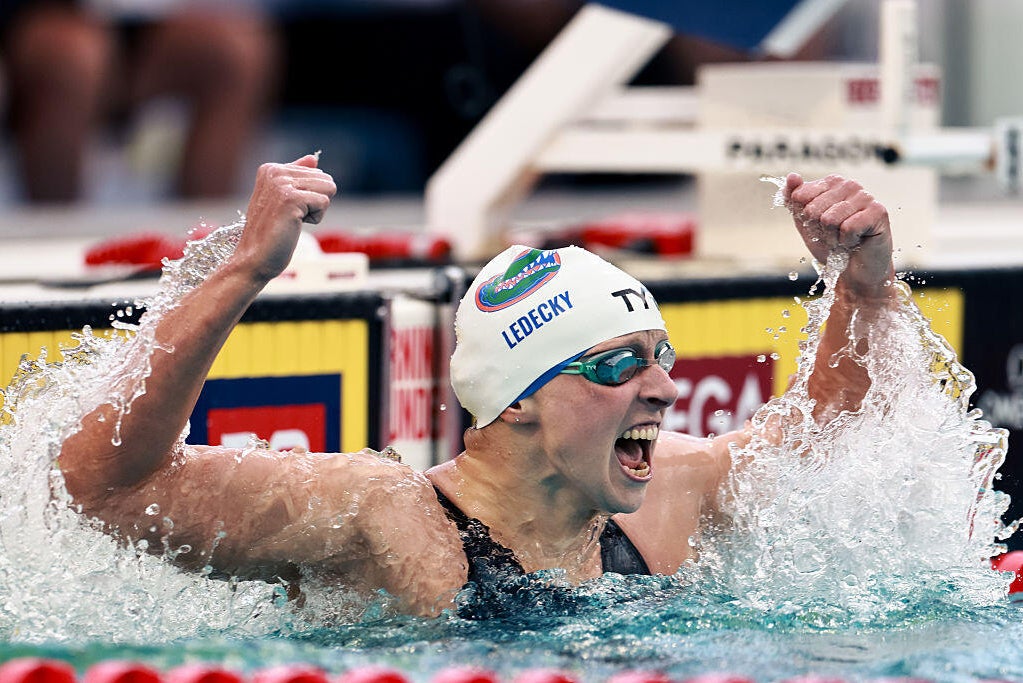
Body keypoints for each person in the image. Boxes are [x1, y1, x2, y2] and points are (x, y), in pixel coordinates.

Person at [56, 155, 896, 617]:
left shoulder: (669, 494)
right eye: (617, 363)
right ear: (516, 395)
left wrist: (859, 282)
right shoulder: (382, 517)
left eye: (661, 355)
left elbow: (818, 436)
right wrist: (242, 272)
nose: (662, 389)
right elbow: (108, 488)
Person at [0, 1, 278, 203]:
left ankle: (205, 238)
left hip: (147, 20)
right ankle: (55, 233)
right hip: (38, 17)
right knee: (70, 59)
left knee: (232, 53)